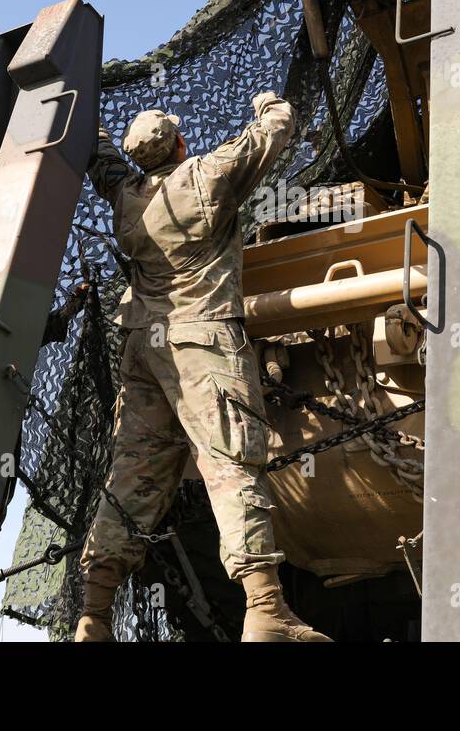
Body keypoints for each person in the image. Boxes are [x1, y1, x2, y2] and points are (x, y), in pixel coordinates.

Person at [76, 94, 330, 643]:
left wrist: (82, 116)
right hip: (204, 340)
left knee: (133, 474)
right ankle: (266, 611)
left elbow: (100, 156)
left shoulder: (124, 195)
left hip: (143, 348)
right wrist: (266, 100)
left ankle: (94, 615)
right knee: (231, 462)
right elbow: (275, 130)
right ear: (180, 144)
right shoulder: (207, 175)